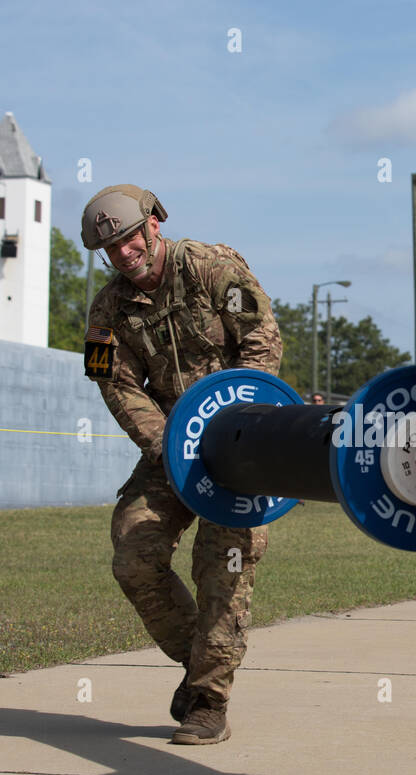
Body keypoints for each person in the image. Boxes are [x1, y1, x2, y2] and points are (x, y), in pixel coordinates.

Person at [80, 184, 282, 745]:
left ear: (153, 226)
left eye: (128, 239)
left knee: (226, 565)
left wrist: (236, 426)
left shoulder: (212, 270)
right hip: (169, 445)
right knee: (133, 553)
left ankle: (208, 702)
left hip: (239, 440)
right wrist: (167, 445)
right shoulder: (108, 309)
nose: (123, 254)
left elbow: (262, 343)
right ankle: (201, 666)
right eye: (111, 249)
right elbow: (116, 384)